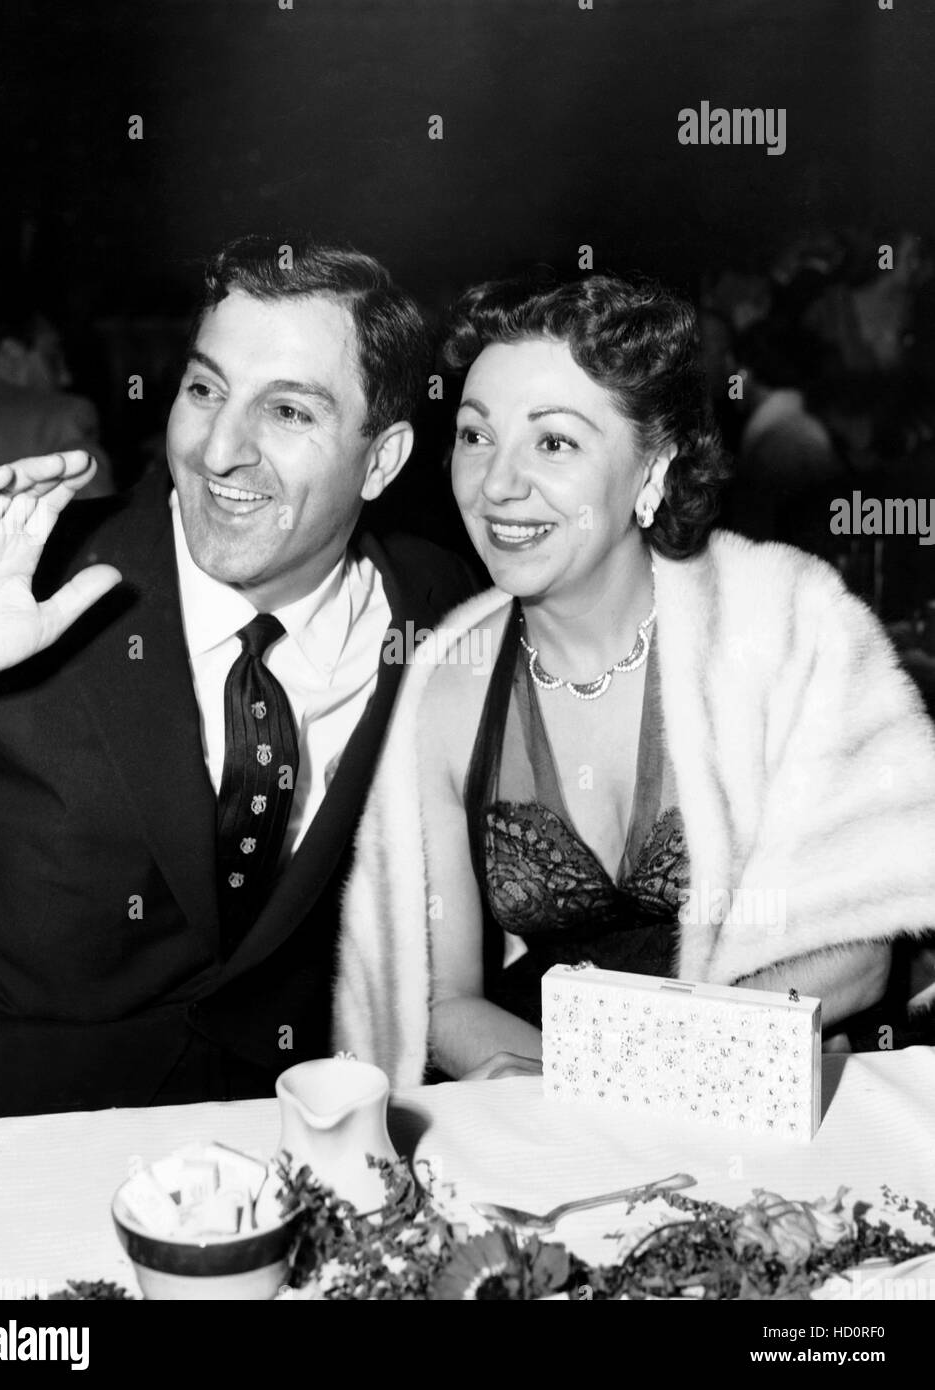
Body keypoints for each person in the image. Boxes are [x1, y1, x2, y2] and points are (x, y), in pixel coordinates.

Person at [334, 271, 935, 1086]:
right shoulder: (449, 679)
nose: (497, 483)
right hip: (554, 1078)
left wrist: (631, 1077)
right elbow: (438, 999)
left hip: (764, 1082)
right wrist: (541, 1088)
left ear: (652, 470)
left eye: (554, 442)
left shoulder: (787, 623)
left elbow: (853, 956)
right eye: (476, 436)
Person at [0, 235, 476, 1120]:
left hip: (287, 1140)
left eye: (289, 413)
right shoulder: (27, 580)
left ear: (380, 461)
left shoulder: (437, 603)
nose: (219, 450)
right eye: (204, 390)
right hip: (1, 1130)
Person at [0, 305, 115, 500]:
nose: (66, 377)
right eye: (52, 358)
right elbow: (102, 523)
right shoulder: (64, 417)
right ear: (11, 356)